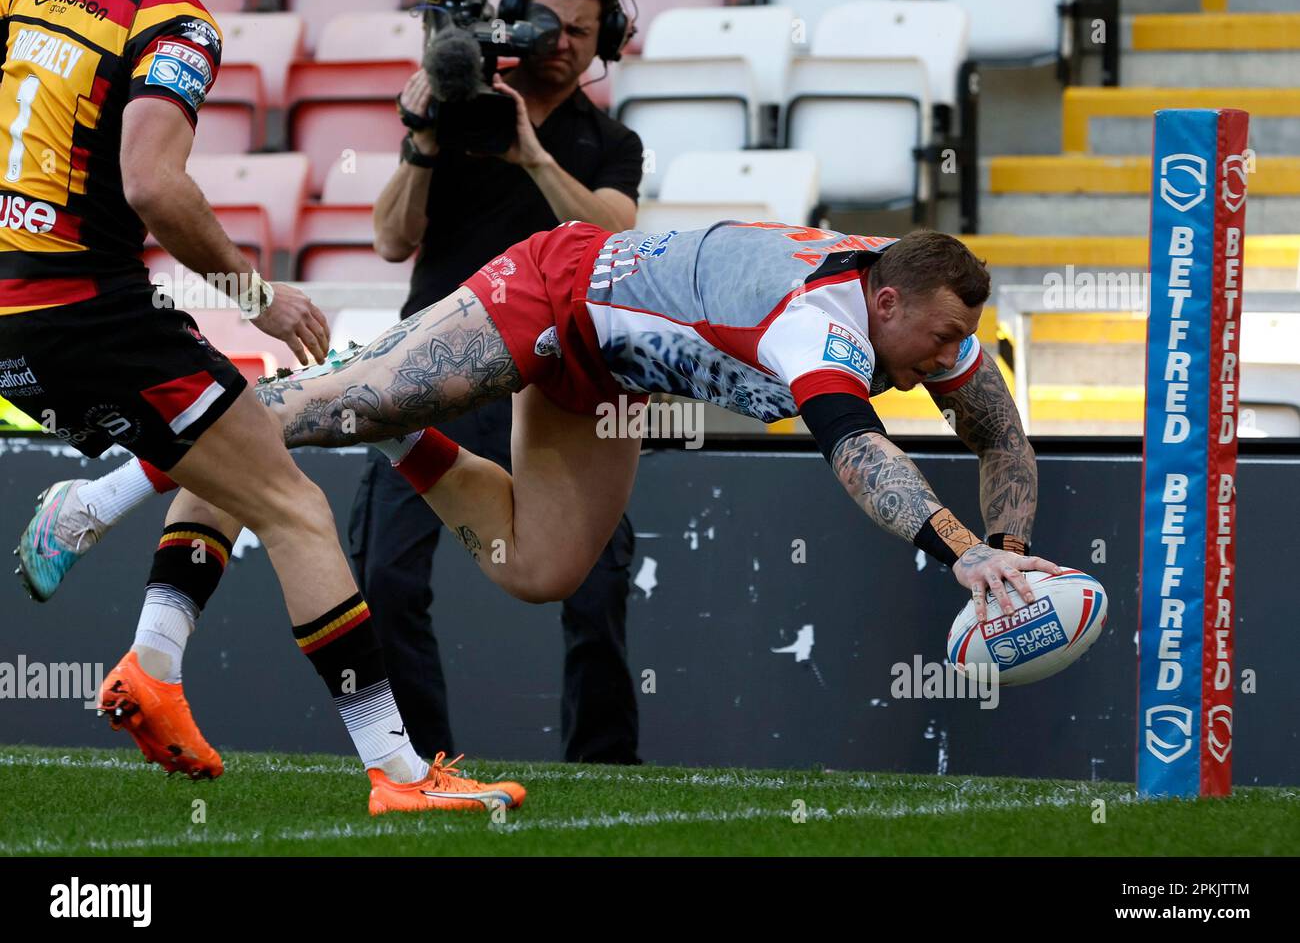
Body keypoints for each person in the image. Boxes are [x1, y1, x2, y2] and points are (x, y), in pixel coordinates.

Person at [21, 219, 1060, 657]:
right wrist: (952, 548)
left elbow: (1001, 434)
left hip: (611, 372)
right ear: (882, 300)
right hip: (558, 288)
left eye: (962, 336)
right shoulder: (816, 325)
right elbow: (857, 451)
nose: (951, 354)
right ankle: (95, 498)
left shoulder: (921, 328)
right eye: (943, 333)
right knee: (333, 406)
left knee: (542, 565)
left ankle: (399, 436)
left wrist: (1008, 559)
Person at [0, 0, 521, 815]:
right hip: (88, 313)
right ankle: (399, 772)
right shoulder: (170, 18)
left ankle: (151, 656)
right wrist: (256, 296)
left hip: (14, 318)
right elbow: (154, 187)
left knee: (237, 435)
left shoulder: (24, 1)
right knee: (294, 509)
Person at [358, 0, 643, 763]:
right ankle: (422, 761)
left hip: (558, 387)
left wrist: (533, 157)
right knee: (385, 576)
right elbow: (390, 239)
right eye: (553, 25)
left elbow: (615, 236)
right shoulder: (456, 115)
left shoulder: (612, 141)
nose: (564, 43)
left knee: (596, 586)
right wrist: (422, 140)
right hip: (437, 368)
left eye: (584, 31)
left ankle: (605, 766)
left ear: (605, 40)